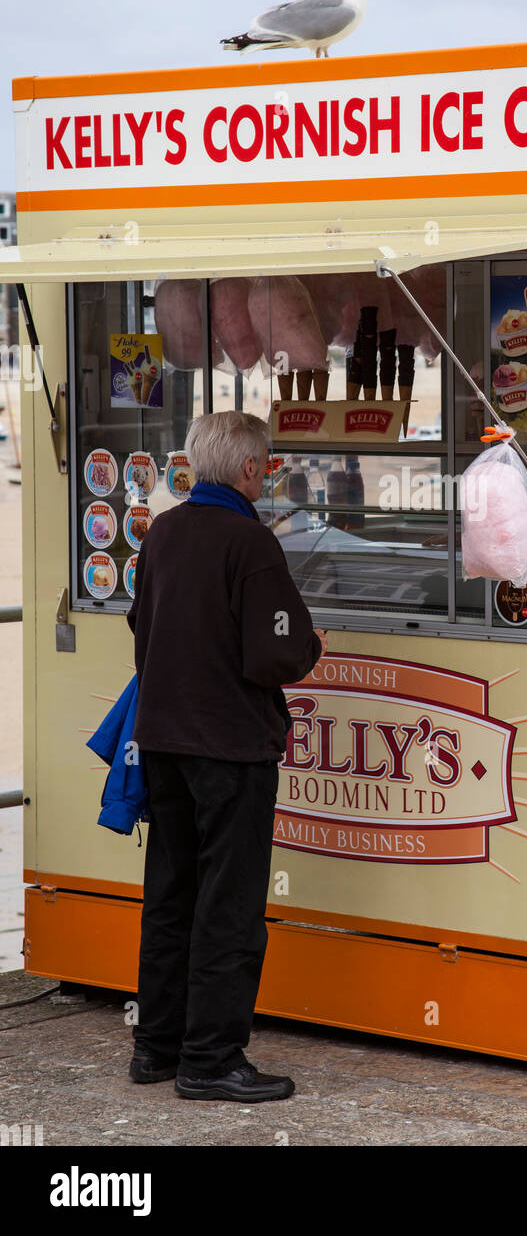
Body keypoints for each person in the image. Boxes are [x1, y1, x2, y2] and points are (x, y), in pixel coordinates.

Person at [126, 411, 325, 1102]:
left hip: (163, 741)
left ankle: (156, 1045)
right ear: (248, 469)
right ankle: (210, 1058)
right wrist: (312, 643)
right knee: (229, 904)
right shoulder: (251, 544)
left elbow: (140, 624)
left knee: (172, 893)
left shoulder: (165, 534)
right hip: (230, 747)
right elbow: (277, 650)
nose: (268, 474)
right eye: (266, 464)